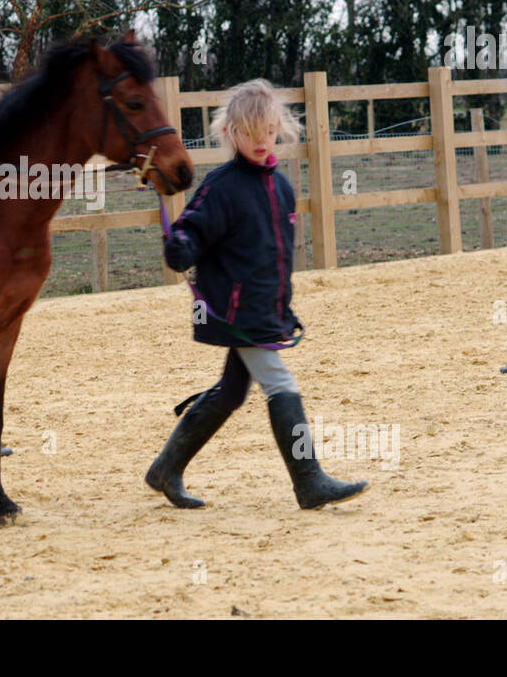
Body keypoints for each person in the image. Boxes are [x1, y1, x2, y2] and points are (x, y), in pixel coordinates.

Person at [146, 79, 368, 510]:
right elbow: (192, 231)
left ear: (279, 126)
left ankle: (165, 468)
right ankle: (309, 480)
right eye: (249, 134)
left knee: (231, 392)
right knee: (280, 382)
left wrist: (282, 309)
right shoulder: (221, 187)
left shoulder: (281, 187)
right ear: (231, 134)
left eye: (267, 131)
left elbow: (277, 259)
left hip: (262, 312)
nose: (261, 141)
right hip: (235, 313)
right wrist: (182, 246)